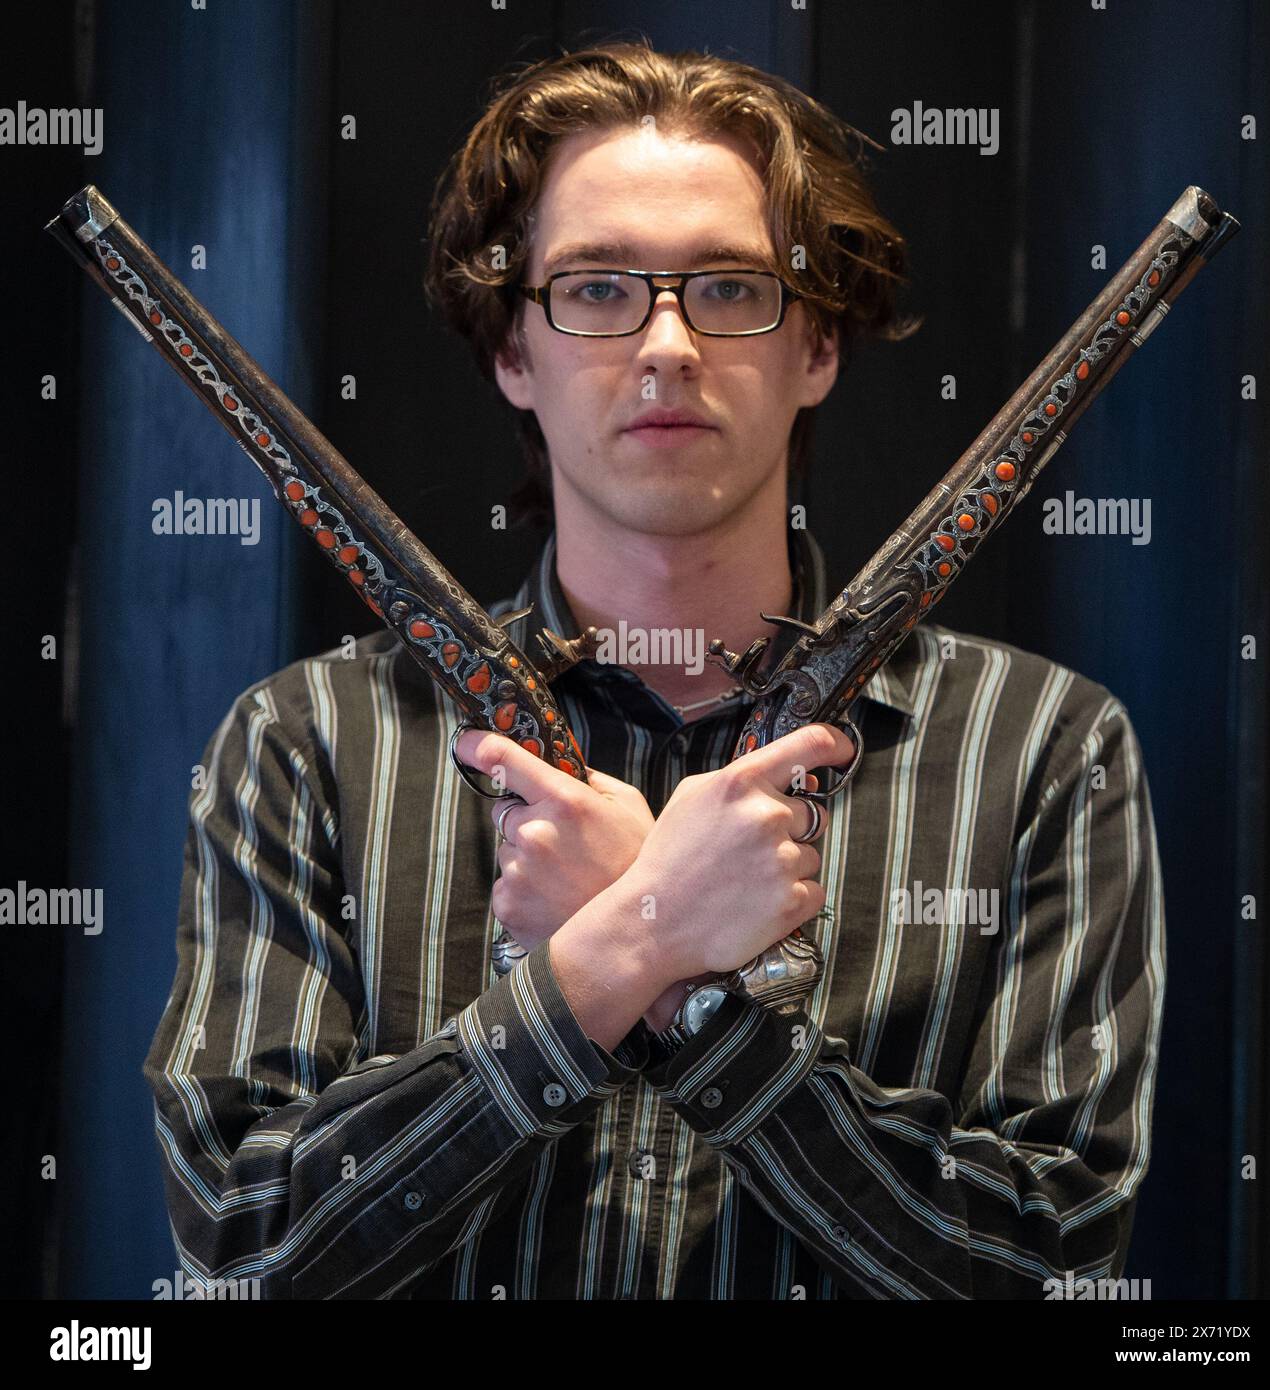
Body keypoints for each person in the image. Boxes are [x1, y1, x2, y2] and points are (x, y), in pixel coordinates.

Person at [143, 40, 1165, 1299]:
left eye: (733, 288)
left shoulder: (1041, 747)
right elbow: (246, 1258)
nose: (668, 344)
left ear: (819, 347)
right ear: (514, 350)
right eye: (595, 287)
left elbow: (1047, 1268)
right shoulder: (306, 742)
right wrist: (626, 955)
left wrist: (681, 996)